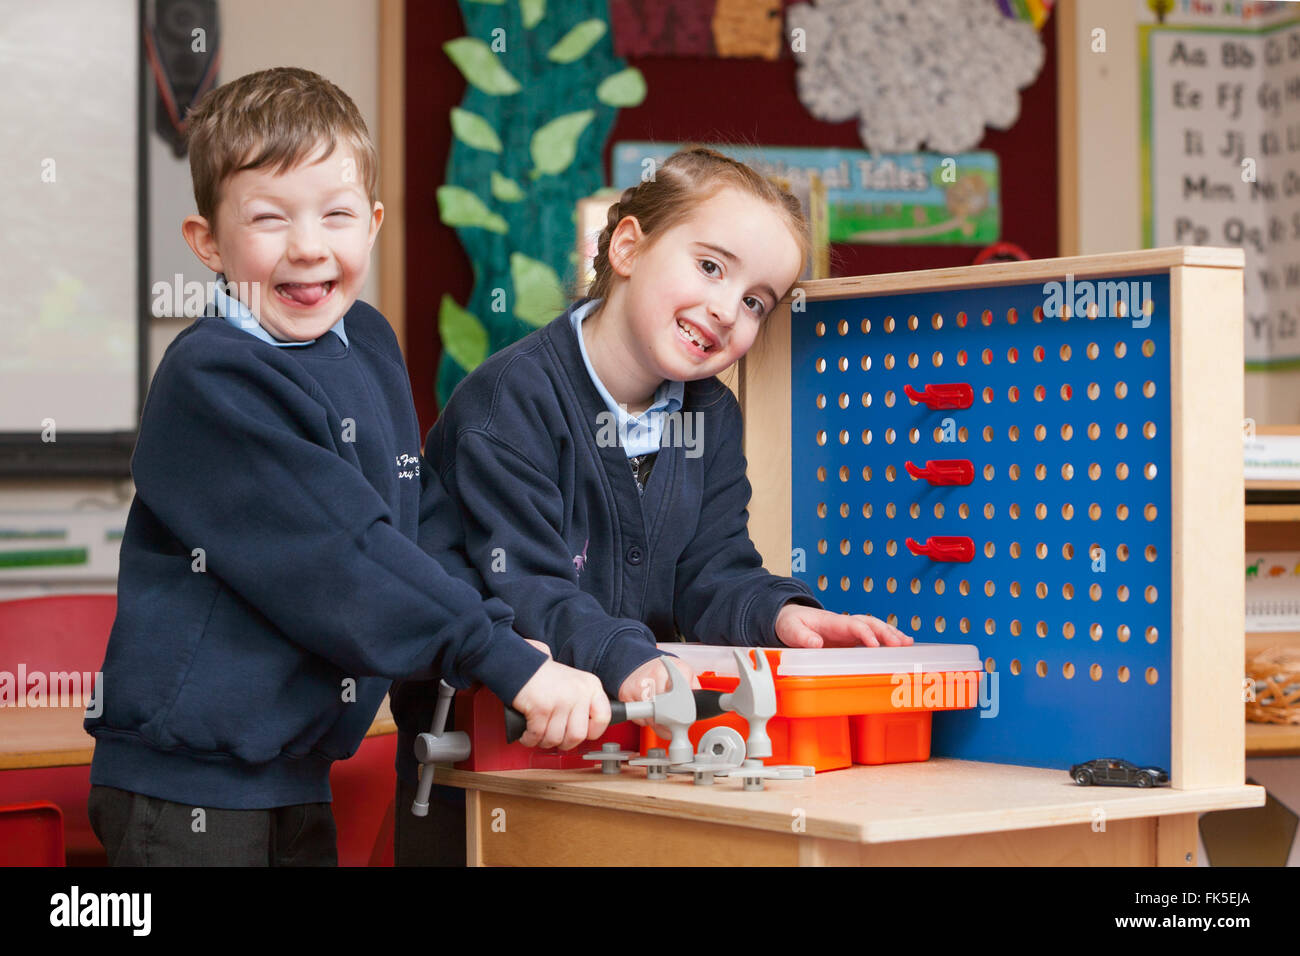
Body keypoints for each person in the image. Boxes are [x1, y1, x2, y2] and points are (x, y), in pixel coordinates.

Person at [84, 67, 609, 867]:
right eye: (269, 219)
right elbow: (343, 556)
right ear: (208, 243)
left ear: (371, 224)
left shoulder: (364, 341)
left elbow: (419, 523)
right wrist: (494, 655)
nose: (308, 246)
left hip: (296, 768)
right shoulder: (213, 379)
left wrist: (523, 638)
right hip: (188, 784)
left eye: (335, 215)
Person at [391, 146, 912, 863]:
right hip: (479, 758)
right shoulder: (511, 400)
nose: (728, 309)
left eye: (757, 300)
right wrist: (633, 661)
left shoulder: (712, 417)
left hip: (624, 745)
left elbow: (713, 570)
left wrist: (780, 614)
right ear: (628, 246)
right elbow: (527, 587)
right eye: (710, 267)